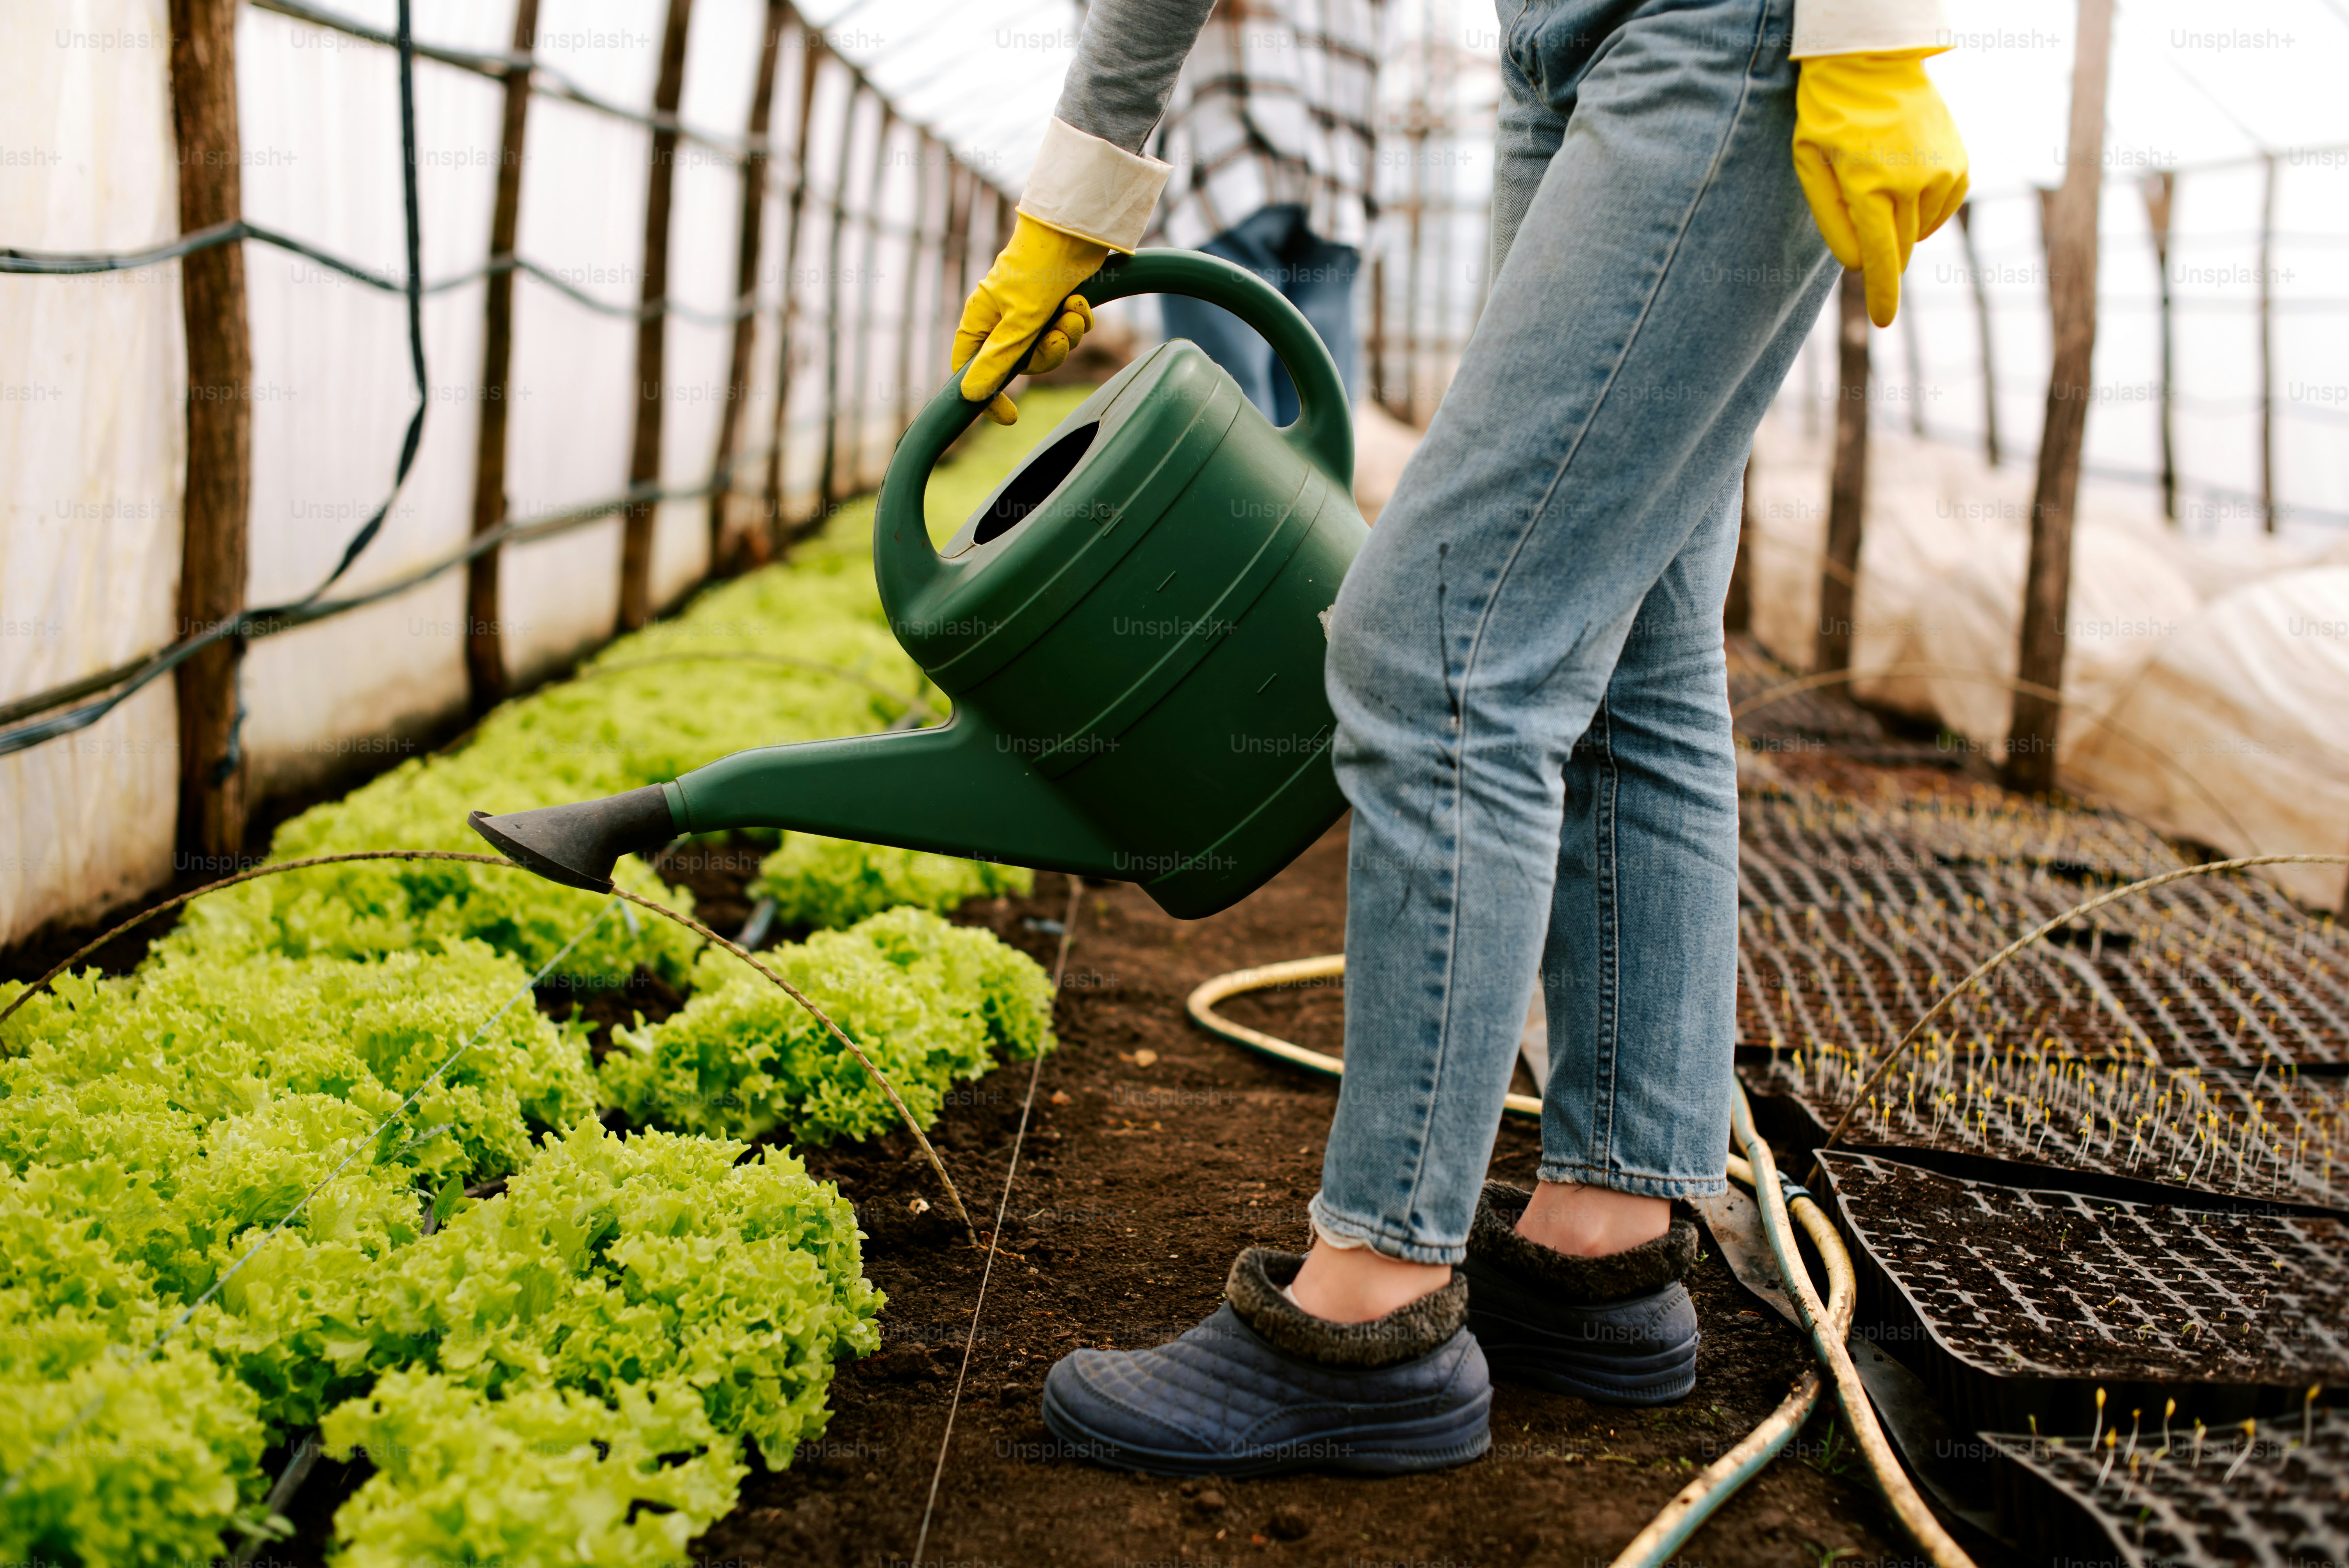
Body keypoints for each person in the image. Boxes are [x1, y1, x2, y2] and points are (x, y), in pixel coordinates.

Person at [952, 0, 1966, 1474]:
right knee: (1628, 642)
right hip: (1557, 52)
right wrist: (1073, 201)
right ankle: (1600, 1246)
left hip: (1721, 26)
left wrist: (1866, 21)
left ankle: (1371, 1302)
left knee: (1435, 643)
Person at [1148, 0, 1383, 423]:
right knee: (1317, 422)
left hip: (1223, 144)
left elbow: (1122, 25)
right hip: (1338, 147)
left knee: (1225, 426)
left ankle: (1237, 487)